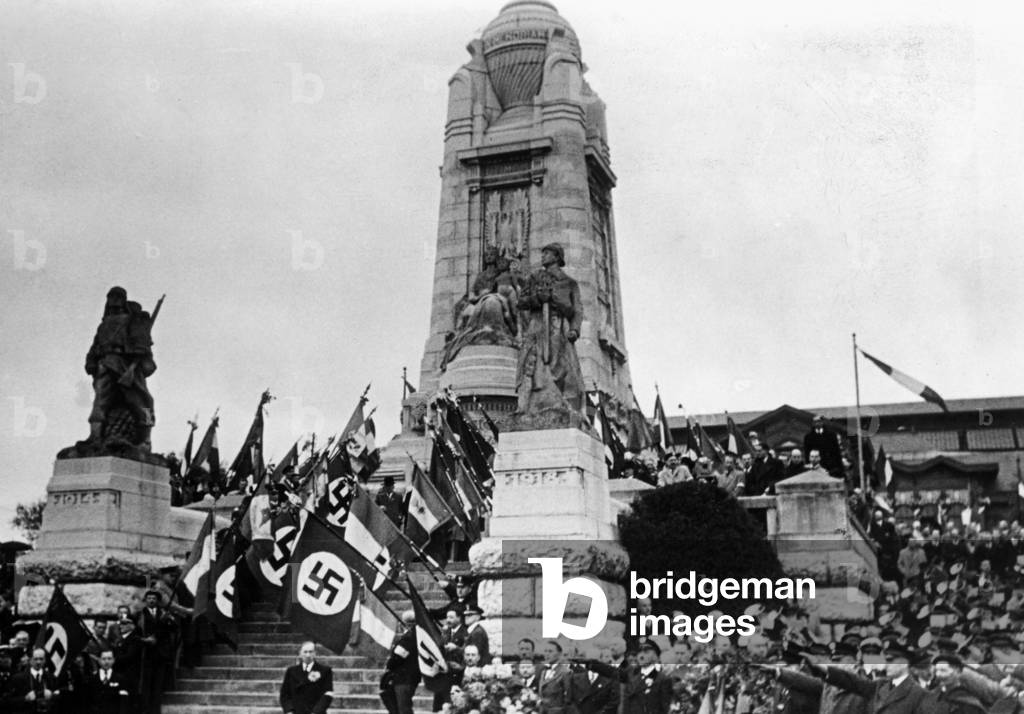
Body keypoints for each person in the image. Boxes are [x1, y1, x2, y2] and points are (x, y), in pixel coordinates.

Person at [516, 243, 585, 417]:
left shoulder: (569, 283)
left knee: (562, 366)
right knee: (529, 364)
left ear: (556, 256)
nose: (543, 256)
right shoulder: (535, 278)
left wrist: (575, 330)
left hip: (559, 327)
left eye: (547, 253)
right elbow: (522, 301)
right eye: (543, 253)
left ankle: (562, 404)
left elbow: (577, 310)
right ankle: (528, 406)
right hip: (537, 325)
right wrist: (539, 298)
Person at [380, 613, 419, 714]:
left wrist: (389, 665)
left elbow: (398, 657)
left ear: (403, 624)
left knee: (403, 709)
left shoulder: (408, 638)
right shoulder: (413, 635)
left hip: (404, 679)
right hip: (405, 678)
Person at [279, 642, 333, 714]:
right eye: (305, 652)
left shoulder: (325, 671)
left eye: (311, 652)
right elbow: (284, 694)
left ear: (315, 653)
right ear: (300, 653)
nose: (308, 655)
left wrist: (316, 712)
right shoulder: (291, 671)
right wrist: (289, 710)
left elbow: (327, 694)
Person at [621, 641, 673, 714]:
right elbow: (626, 703)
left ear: (656, 656)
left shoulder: (662, 679)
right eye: (639, 652)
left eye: (646, 652)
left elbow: (664, 707)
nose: (641, 655)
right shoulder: (631, 674)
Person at [5, 647, 60, 713]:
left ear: (45, 660)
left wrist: (52, 696)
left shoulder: (51, 677)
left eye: (41, 659)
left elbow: (61, 699)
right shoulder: (18, 678)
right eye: (35, 659)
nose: (38, 662)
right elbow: (7, 701)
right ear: (30, 660)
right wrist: (25, 698)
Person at [88, 649, 130, 714]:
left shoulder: (121, 679)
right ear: (99, 660)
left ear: (113, 660)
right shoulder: (91, 679)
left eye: (109, 658)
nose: (106, 661)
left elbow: (123, 703)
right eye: (103, 659)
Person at [537, 641, 574, 714]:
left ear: (559, 654)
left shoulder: (565, 672)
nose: (547, 654)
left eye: (550, 651)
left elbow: (568, 699)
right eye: (545, 651)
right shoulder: (543, 672)